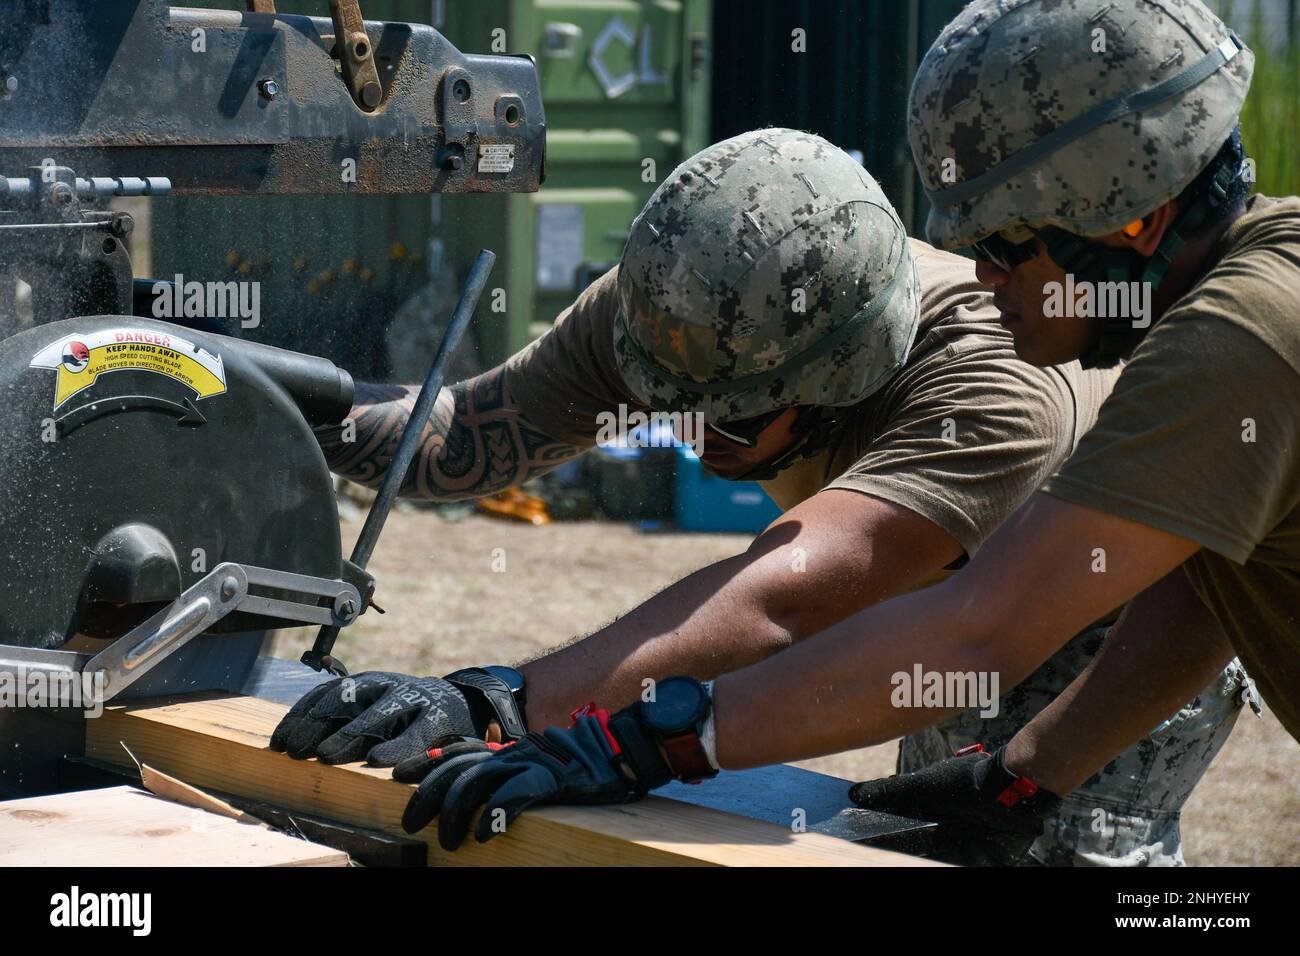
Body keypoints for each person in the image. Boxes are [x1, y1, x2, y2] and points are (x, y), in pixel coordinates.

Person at [272, 127, 1247, 864]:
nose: (684, 436)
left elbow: (791, 595)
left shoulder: (994, 390)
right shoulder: (691, 313)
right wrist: (254, 395)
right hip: (938, 622)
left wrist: (498, 699)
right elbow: (463, 437)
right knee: (903, 841)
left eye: (723, 424)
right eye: (662, 408)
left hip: (1113, 637)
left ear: (838, 385)